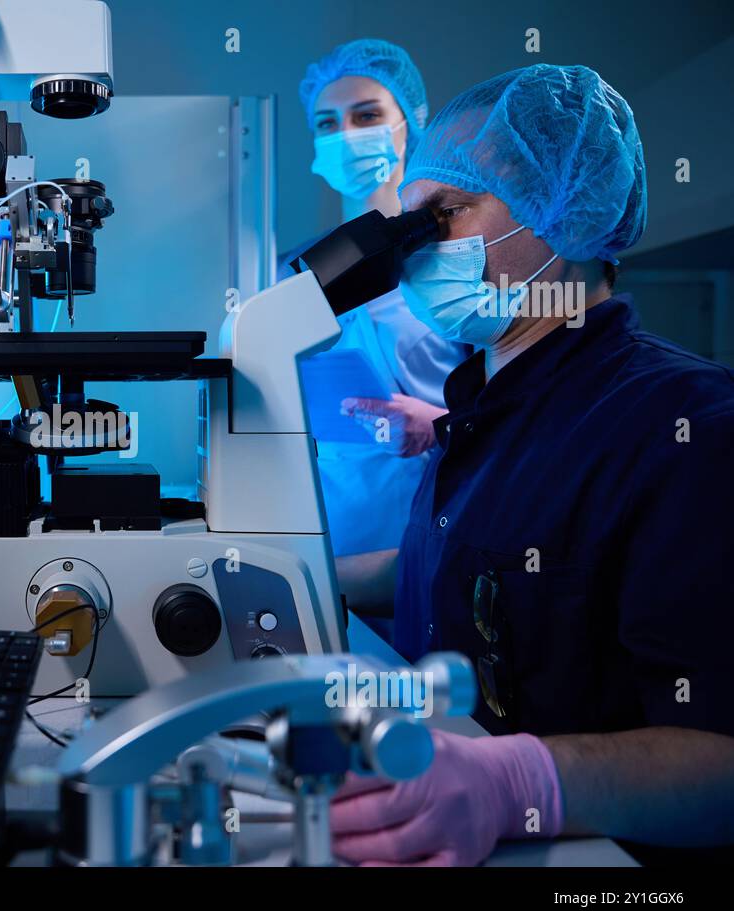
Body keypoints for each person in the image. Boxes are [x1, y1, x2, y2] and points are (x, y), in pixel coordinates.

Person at [332, 64, 734, 866]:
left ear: (564, 216)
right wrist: (311, 576)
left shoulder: (683, 424)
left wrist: (518, 780)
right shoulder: (486, 403)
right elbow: (458, 563)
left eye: (445, 215)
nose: (416, 253)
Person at [287, 39, 467, 559]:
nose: (345, 135)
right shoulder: (291, 271)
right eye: (327, 123)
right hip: (327, 529)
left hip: (432, 525)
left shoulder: (458, 266)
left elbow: (513, 410)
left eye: (366, 116)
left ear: (410, 121)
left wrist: (439, 424)